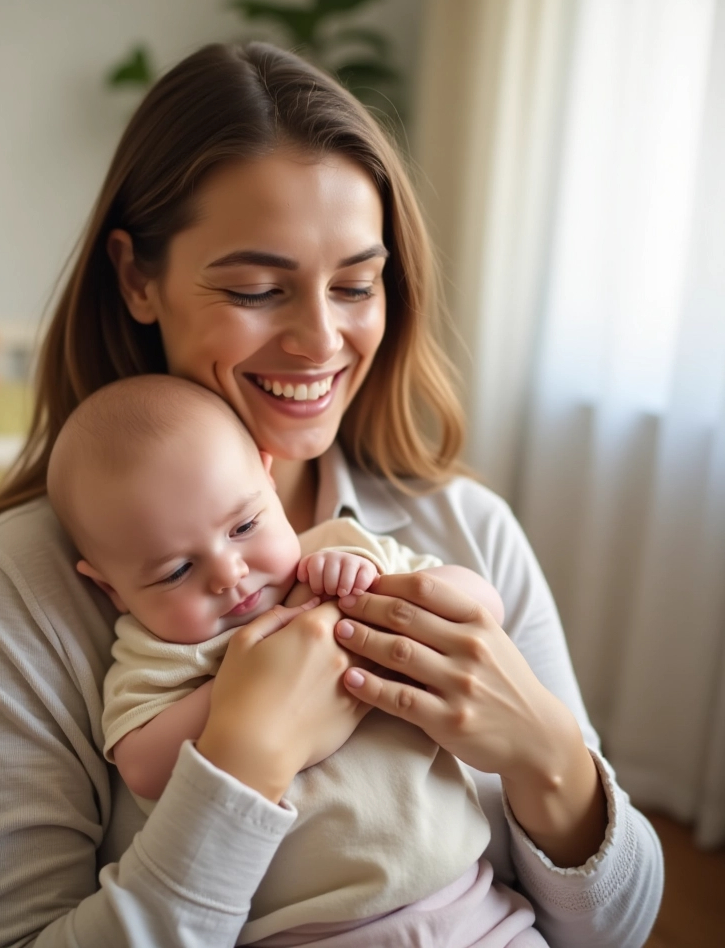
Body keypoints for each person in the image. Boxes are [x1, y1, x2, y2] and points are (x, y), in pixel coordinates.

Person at [0, 42, 664, 947]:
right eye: (259, 288)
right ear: (136, 277)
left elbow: (615, 931)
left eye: (355, 283)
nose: (319, 340)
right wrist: (244, 760)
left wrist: (550, 759)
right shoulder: (13, 592)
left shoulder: (465, 528)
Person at [48, 373, 547, 946]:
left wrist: (382, 592)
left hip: (470, 908)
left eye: (244, 526)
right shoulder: (156, 651)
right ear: (111, 588)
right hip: (304, 935)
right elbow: (141, 766)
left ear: (269, 479)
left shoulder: (346, 550)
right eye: (176, 571)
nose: (229, 573)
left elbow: (482, 606)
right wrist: (249, 699)